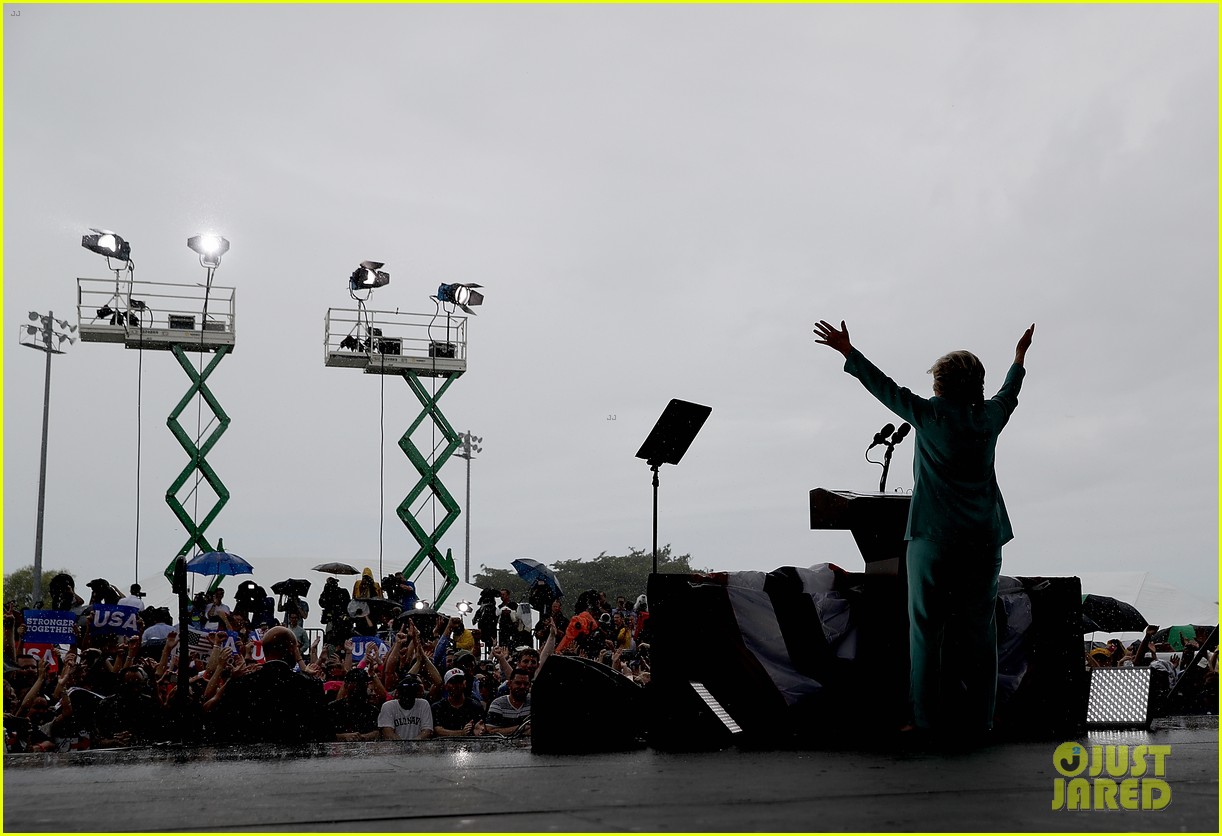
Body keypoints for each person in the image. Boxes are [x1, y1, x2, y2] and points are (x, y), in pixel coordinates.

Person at [812, 319, 1035, 739]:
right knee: (980, 635)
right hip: (984, 540)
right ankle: (981, 720)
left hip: (933, 538)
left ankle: (926, 720)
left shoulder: (929, 415)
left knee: (926, 631)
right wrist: (1018, 360)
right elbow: (1010, 395)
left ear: (942, 385)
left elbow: (885, 388)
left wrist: (848, 351)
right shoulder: (989, 418)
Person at [209, 625, 333, 743]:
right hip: (298, 758)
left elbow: (222, 727)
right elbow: (322, 732)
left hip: (249, 759)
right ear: (292, 650)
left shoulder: (241, 684)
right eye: (296, 649)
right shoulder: (310, 685)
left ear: (264, 650)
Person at [377, 674, 435, 740]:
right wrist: (403, 746)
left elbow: (427, 731)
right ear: (398, 692)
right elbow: (388, 733)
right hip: (394, 748)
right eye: (406, 690)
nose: (409, 693)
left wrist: (413, 744)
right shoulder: (388, 706)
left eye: (412, 690)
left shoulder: (423, 704)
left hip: (418, 747)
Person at [431, 668, 485, 737]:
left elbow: (480, 727)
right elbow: (437, 730)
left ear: (464, 683)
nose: (457, 685)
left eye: (460, 681)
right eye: (453, 682)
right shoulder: (438, 707)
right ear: (446, 686)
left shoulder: (475, 706)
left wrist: (480, 730)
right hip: (444, 745)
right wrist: (461, 733)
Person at [483, 668, 532, 735]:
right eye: (518, 683)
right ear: (509, 684)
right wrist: (523, 728)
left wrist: (507, 731)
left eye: (526, 684)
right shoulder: (498, 704)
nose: (522, 687)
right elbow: (491, 731)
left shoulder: (533, 701)